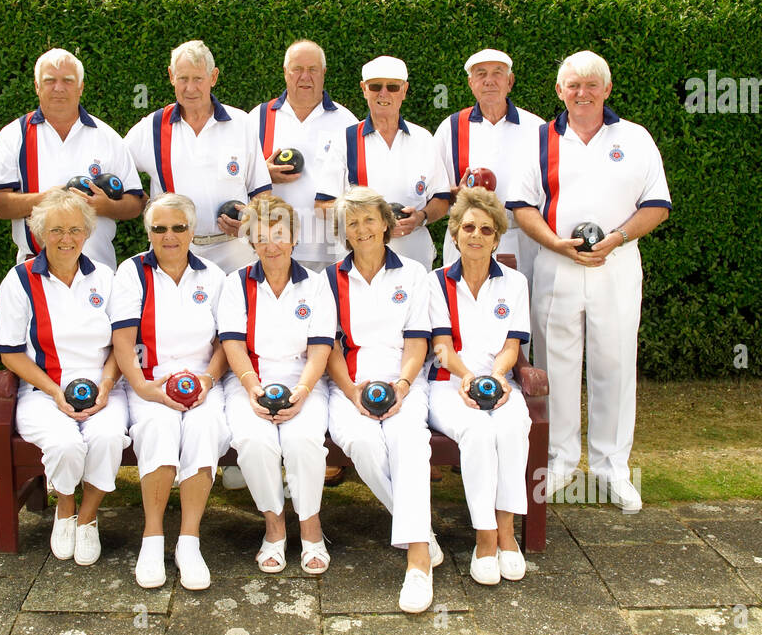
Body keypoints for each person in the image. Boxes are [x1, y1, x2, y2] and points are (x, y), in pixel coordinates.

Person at [507, 50, 671, 513]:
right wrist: (557, 244)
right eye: (573, 85)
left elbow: (656, 203)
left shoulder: (635, 138)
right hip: (556, 265)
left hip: (616, 266)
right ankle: (559, 459)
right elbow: (522, 207)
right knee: (555, 363)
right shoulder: (539, 139)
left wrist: (616, 238)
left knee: (614, 363)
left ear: (607, 90)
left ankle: (610, 465)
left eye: (591, 85)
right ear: (560, 91)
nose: (582, 93)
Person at [0, 188, 129, 563]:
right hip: (42, 390)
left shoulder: (106, 277)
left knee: (106, 438)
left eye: (74, 229)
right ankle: (65, 508)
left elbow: (122, 345)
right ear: (40, 234)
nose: (65, 239)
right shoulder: (19, 280)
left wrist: (105, 386)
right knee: (65, 445)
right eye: (55, 230)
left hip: (106, 389)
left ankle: (88, 518)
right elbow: (9, 352)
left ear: (87, 233)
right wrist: (55, 392)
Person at [325, 187, 441, 613]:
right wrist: (352, 390)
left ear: (386, 225)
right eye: (352, 223)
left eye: (370, 220)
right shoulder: (329, 279)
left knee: (409, 444)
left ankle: (417, 563)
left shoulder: (413, 275)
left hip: (405, 377)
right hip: (348, 383)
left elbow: (418, 342)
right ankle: (422, 534)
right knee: (364, 444)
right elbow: (330, 347)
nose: (362, 229)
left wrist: (403, 387)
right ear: (345, 232)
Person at [109, 193, 230, 590]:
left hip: (202, 383)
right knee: (159, 429)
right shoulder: (130, 272)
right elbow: (123, 342)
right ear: (149, 232)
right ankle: (152, 537)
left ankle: (190, 541)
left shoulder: (213, 276)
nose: (170, 236)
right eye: (159, 228)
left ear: (192, 230)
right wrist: (144, 388)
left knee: (203, 430)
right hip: (150, 382)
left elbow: (223, 345)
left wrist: (208, 382)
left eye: (179, 227)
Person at [218, 194, 334, 574]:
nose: (271, 244)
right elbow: (232, 343)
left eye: (279, 234)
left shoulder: (316, 285)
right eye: (261, 235)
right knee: (254, 442)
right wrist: (252, 388)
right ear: (250, 241)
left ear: (294, 238)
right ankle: (274, 528)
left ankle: (311, 528)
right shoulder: (236, 284)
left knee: (303, 442)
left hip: (306, 381)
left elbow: (320, 349)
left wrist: (301, 393)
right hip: (249, 381)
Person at [426, 186, 533, 584]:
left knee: (509, 428)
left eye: (485, 230)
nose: (476, 235)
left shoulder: (515, 283)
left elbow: (512, 344)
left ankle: (506, 531)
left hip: (498, 382)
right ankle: (485, 537)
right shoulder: (435, 282)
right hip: (448, 382)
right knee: (476, 431)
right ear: (454, 233)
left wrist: (499, 378)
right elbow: (441, 347)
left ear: (497, 237)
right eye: (468, 227)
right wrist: (468, 378)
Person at [0, 48, 145, 270]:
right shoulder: (14, 134)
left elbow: (135, 203)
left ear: (80, 87)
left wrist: (104, 206)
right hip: (35, 269)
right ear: (36, 86)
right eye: (50, 80)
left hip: (97, 270)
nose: (59, 88)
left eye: (68, 81)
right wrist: (47, 199)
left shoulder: (106, 136)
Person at [125, 40, 272, 273]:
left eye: (198, 79)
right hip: (178, 255)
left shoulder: (241, 123)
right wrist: (148, 206)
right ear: (171, 76)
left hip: (236, 253)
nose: (190, 88)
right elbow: (120, 177)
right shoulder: (151, 128)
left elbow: (261, 191)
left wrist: (249, 221)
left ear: (213, 77)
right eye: (183, 78)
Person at [319, 56, 451, 269]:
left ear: (404, 90)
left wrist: (421, 217)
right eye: (375, 86)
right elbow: (321, 205)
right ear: (364, 89)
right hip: (358, 263)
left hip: (413, 261)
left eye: (392, 87)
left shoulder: (424, 138)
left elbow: (442, 198)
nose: (383, 93)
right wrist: (366, 216)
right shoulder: (345, 139)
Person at [433, 49, 546, 294]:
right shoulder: (451, 127)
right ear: (470, 83)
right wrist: (457, 192)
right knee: (460, 312)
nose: (489, 80)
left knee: (513, 315)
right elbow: (435, 193)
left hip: (517, 238)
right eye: (481, 74)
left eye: (497, 73)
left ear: (510, 81)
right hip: (465, 238)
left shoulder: (537, 128)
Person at [248, 40, 358, 272]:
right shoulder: (258, 118)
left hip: (330, 250)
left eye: (313, 69)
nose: (305, 77)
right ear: (285, 72)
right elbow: (238, 176)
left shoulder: (346, 121)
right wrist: (263, 175)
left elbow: (357, 186)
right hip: (273, 248)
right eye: (297, 69)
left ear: (324, 73)